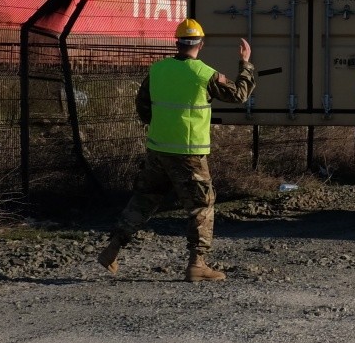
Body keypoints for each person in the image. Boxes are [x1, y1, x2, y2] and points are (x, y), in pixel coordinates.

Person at [100, 19, 256, 281]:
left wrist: (162, 125)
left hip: (158, 150)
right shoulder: (205, 74)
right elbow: (239, 95)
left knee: (144, 199)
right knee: (201, 206)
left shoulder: (158, 70)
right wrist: (246, 64)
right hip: (189, 154)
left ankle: (112, 249)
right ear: (200, 44)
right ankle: (197, 264)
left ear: (177, 43)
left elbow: (142, 106)